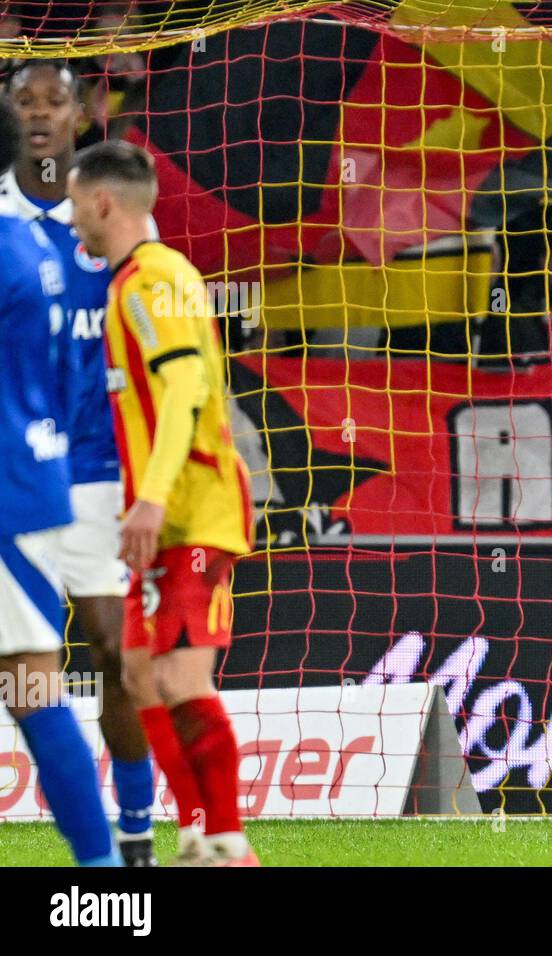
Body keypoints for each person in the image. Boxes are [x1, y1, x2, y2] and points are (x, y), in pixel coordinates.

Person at [68, 139, 257, 866]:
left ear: (103, 202)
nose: (75, 217)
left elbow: (182, 390)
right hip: (164, 512)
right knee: (141, 675)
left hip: (192, 509)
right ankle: (198, 833)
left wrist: (147, 501)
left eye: (80, 203)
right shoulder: (134, 282)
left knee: (182, 676)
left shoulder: (156, 279)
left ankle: (229, 842)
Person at [1, 60, 161, 866]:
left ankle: (132, 835)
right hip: (19, 468)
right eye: (24, 100)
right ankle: (100, 862)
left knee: (117, 655)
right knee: (29, 674)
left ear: (80, 113)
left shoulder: (113, 212)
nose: (39, 115)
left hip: (98, 466)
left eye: (53, 101)